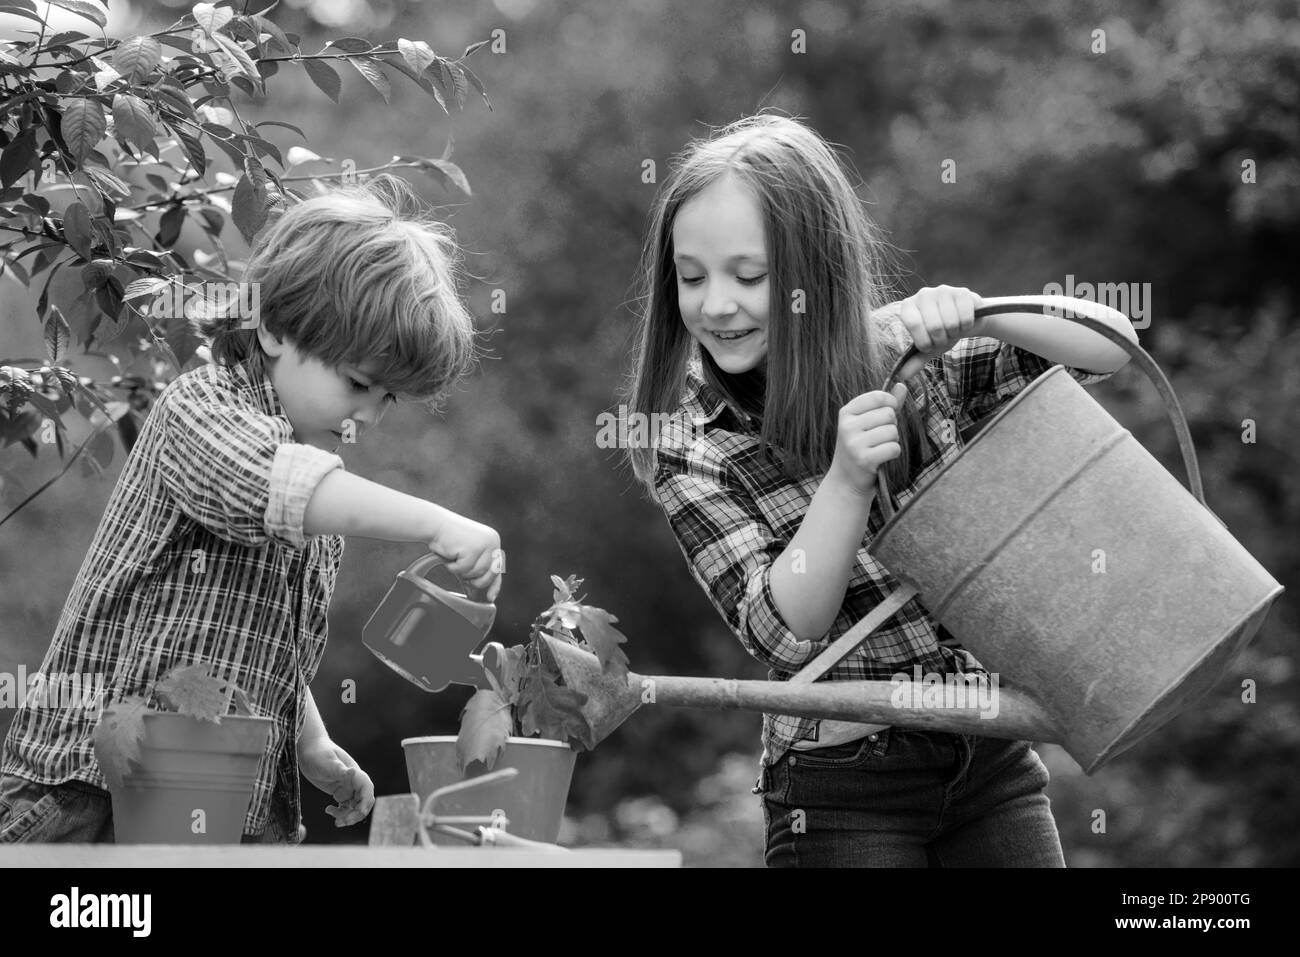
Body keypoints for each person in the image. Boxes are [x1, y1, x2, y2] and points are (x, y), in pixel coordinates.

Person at [624, 114, 1138, 867]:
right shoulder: (689, 445)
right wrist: (845, 478)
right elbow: (784, 626)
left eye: (750, 274)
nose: (717, 304)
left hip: (987, 753)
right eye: (692, 276)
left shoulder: (907, 353)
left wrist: (983, 313)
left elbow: (1113, 346)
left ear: (815, 271)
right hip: (840, 783)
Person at [0, 175, 503, 844]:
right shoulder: (200, 413)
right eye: (358, 383)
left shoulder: (316, 507)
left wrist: (311, 741)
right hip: (92, 800)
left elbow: (264, 648)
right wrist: (436, 523)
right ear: (273, 329)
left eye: (387, 398)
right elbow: (274, 484)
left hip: (215, 813)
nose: (369, 416)